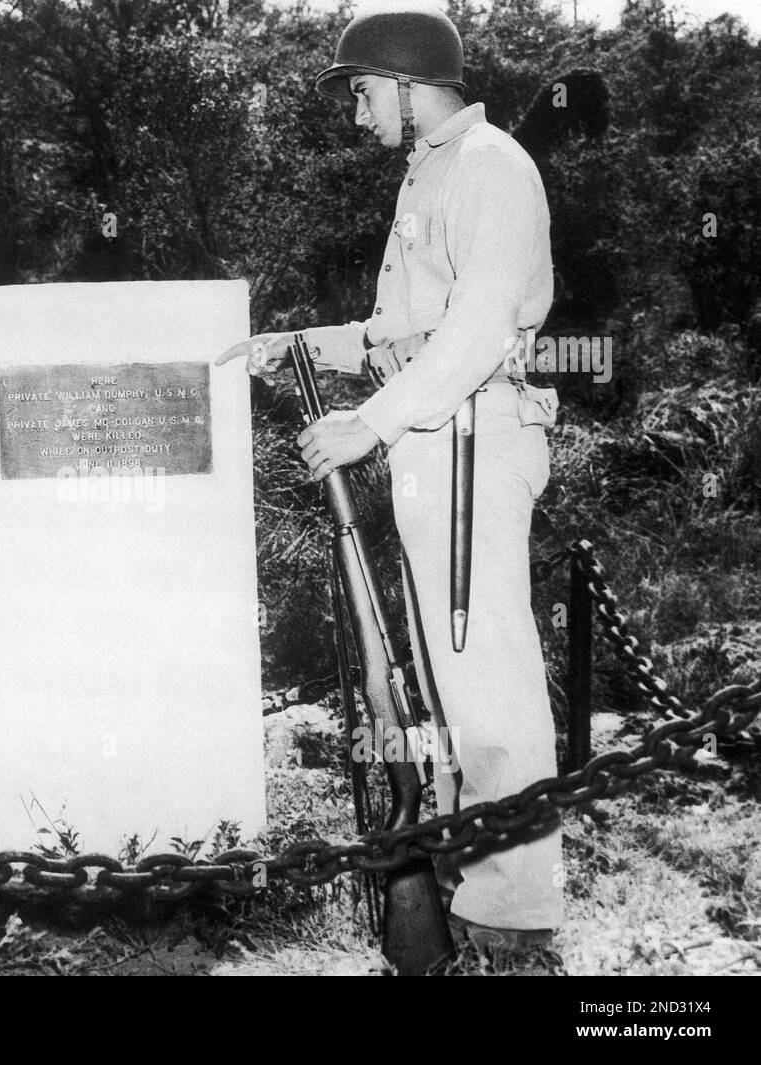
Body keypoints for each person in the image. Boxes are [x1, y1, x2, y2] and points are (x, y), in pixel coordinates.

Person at [217, 4, 563, 962]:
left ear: (410, 87)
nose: (356, 111)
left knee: (486, 681)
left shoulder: (491, 165)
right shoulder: (435, 169)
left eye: (364, 91)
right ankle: (465, 887)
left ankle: (513, 919)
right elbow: (394, 332)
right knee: (445, 686)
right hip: (433, 441)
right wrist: (290, 347)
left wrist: (364, 425)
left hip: (473, 440)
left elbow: (478, 329)